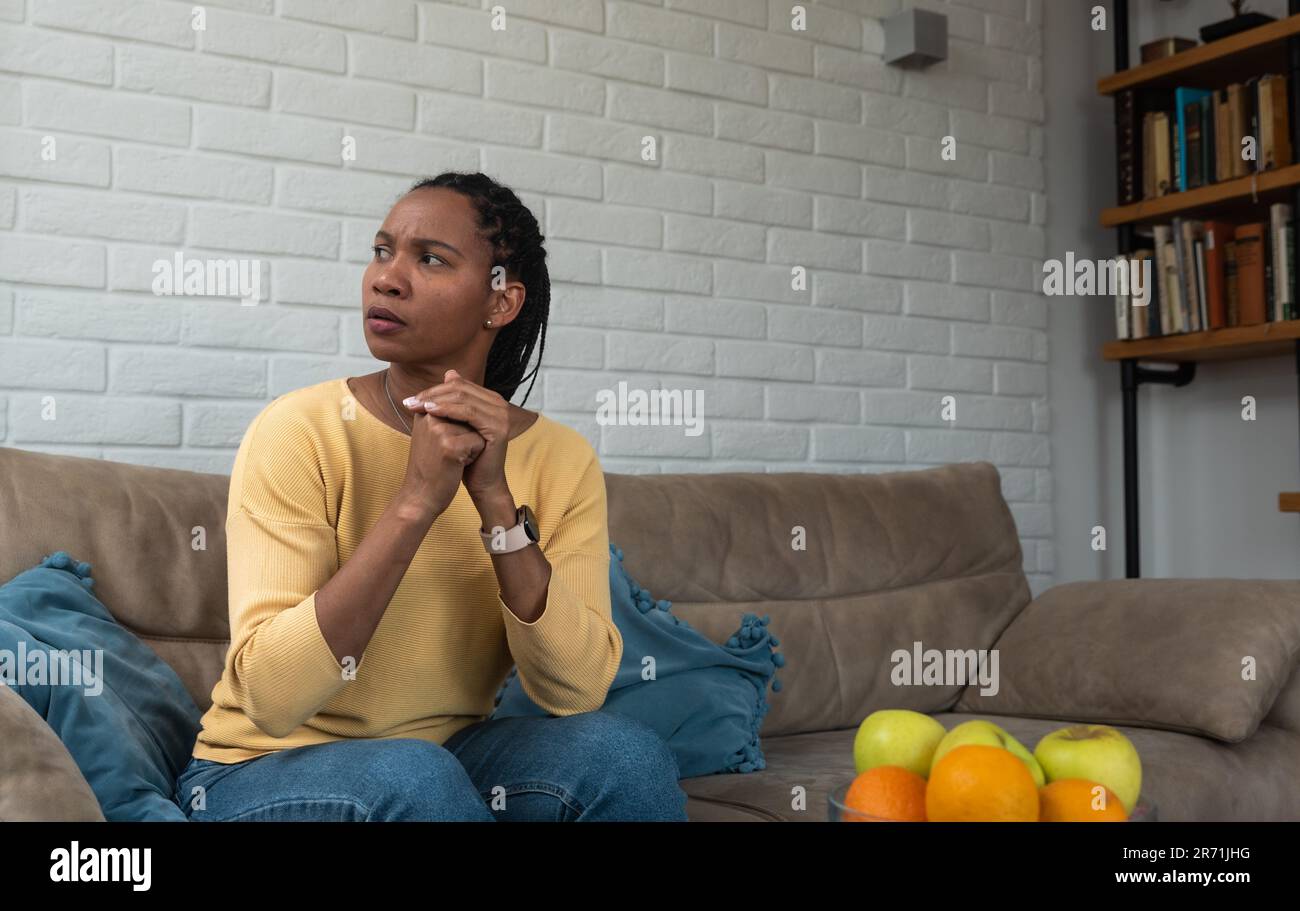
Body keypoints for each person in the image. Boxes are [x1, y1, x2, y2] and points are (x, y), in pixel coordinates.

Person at [174, 172, 689, 821]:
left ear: (499, 302)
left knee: (624, 755)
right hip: (260, 768)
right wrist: (416, 502)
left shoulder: (561, 459)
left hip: (449, 755)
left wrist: (495, 500)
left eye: (430, 259)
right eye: (382, 250)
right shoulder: (300, 429)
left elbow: (575, 689)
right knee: (414, 775)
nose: (386, 277)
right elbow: (271, 698)